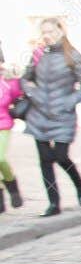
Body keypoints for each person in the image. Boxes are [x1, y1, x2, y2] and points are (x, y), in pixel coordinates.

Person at [20, 17, 81, 217]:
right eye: (43, 32)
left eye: (50, 31)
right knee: (44, 160)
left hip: (63, 116)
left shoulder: (73, 55)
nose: (47, 35)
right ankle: (54, 203)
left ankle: (80, 186)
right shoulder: (38, 54)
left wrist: (69, 102)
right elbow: (25, 79)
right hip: (39, 115)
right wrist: (33, 93)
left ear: (61, 30)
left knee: (60, 156)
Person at [0, 56, 25, 213]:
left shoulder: (7, 80)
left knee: (0, 158)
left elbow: (21, 96)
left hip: (3, 124)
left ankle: (12, 186)